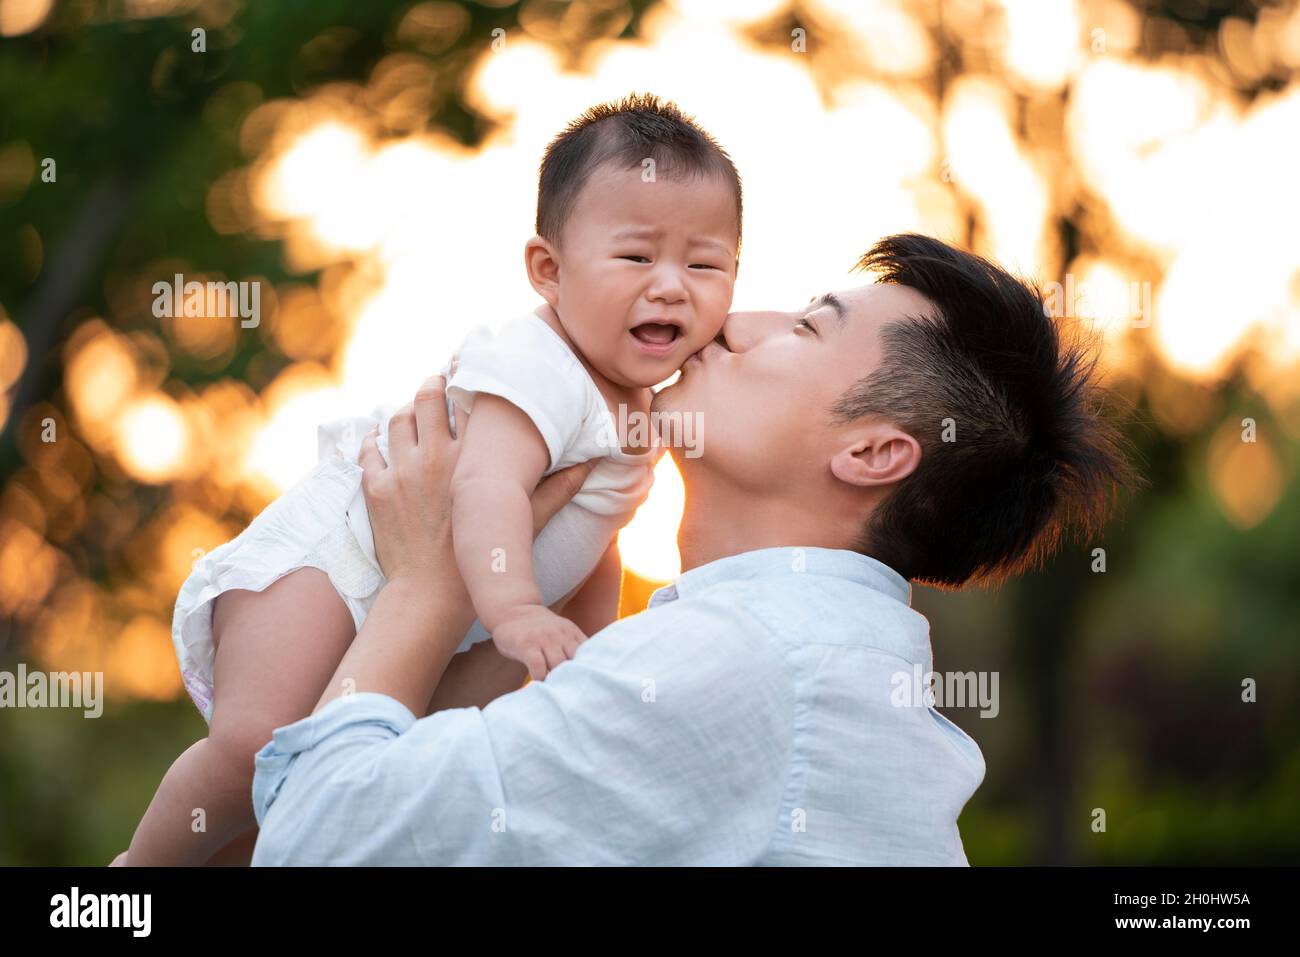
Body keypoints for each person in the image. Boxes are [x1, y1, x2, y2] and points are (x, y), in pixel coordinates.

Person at [247, 233, 1137, 865]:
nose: (732, 321)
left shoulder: (742, 663)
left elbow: (318, 845)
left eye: (806, 327)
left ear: (871, 453)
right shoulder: (801, 660)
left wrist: (426, 586)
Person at [113, 93, 739, 866]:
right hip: (337, 560)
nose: (673, 285)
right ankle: (131, 876)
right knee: (255, 741)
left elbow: (595, 533)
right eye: (638, 256)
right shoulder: (538, 364)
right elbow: (488, 487)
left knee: (300, 791)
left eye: (705, 264)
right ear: (549, 269)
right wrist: (516, 613)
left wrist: (591, 649)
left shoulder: (639, 411)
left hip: (418, 606)